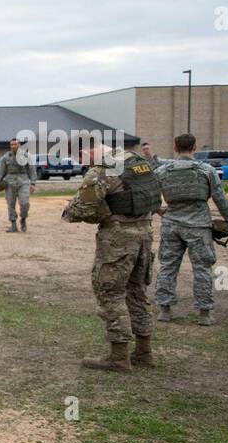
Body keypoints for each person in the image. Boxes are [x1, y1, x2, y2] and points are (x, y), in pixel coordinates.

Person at [63, 144, 162, 371]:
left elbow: (80, 210)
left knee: (110, 293)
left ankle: (118, 357)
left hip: (118, 239)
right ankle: (144, 352)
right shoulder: (138, 161)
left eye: (79, 157)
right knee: (137, 292)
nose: (81, 163)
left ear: (85, 150)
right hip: (145, 233)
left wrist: (69, 208)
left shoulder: (103, 169)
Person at [154, 132, 228, 326]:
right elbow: (220, 198)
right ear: (194, 148)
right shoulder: (206, 170)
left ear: (175, 148)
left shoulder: (162, 171)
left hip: (171, 224)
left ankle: (164, 310)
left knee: (167, 266)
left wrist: (161, 212)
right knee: (202, 268)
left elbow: (150, 198)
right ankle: (204, 313)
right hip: (198, 225)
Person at [0, 137, 36, 232]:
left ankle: (23, 219)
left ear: (19, 145)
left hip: (23, 181)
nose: (13, 146)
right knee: (10, 204)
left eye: (15, 144)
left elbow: (32, 170)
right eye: (11, 145)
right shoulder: (6, 157)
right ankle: (13, 225)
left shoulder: (26, 156)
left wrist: (33, 183)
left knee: (25, 203)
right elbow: (0, 171)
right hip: (9, 182)